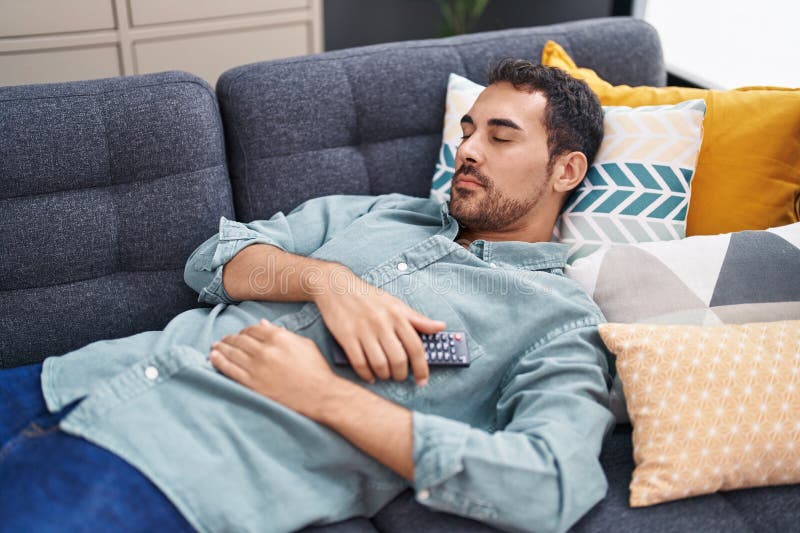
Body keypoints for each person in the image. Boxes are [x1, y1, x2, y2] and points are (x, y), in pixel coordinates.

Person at [0, 59, 613, 533]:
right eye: (469, 129)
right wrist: (327, 282)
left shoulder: (559, 322)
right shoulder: (380, 212)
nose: (469, 150)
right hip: (70, 378)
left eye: (501, 138)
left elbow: (553, 483)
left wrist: (324, 397)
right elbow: (215, 258)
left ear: (566, 171)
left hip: (165, 467)